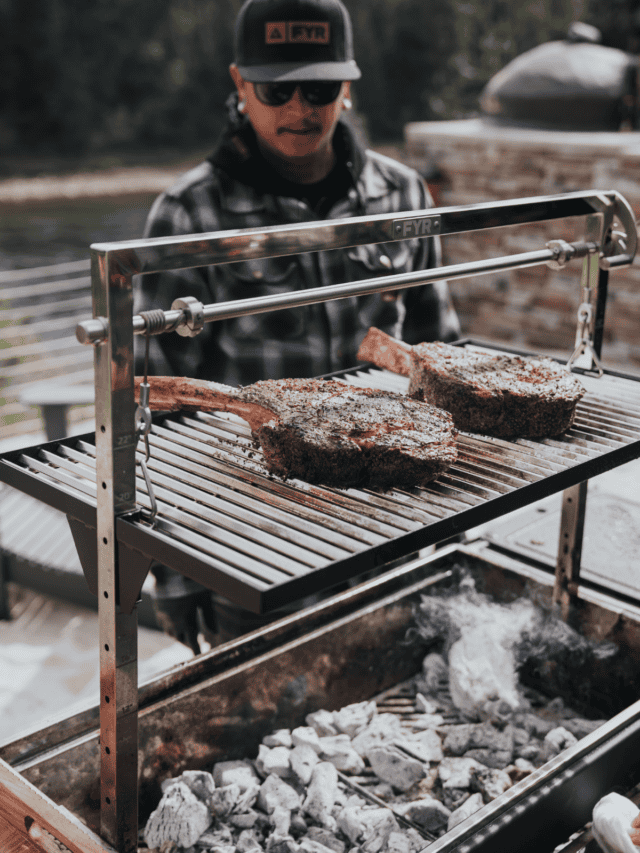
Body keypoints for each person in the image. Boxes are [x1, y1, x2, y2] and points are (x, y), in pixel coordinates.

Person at [134, 0, 460, 653]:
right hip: (251, 531)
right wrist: (172, 574)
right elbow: (152, 403)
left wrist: (449, 518)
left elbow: (439, 349)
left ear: (347, 86)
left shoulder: (404, 196)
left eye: (319, 88)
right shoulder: (189, 212)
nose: (298, 107)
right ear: (239, 85)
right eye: (275, 89)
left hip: (392, 510)